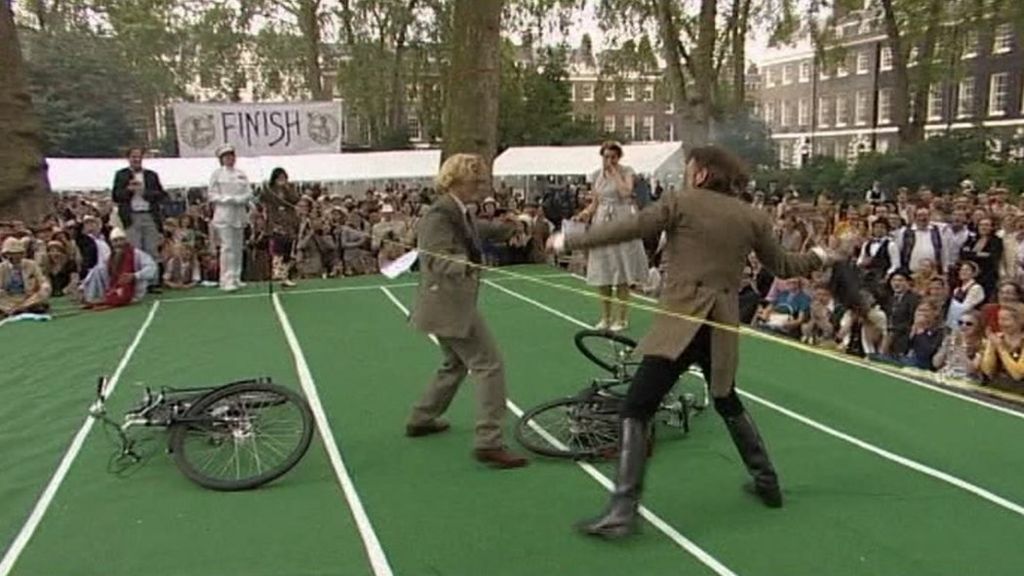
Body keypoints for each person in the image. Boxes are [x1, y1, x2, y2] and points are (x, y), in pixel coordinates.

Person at [548, 145, 833, 538]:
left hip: (684, 323)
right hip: (721, 323)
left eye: (689, 168)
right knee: (725, 399)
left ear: (700, 174)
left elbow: (629, 228)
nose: (685, 174)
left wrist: (570, 240)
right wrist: (818, 255)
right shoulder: (752, 215)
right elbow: (784, 265)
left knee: (636, 407)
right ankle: (767, 482)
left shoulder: (681, 202)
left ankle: (622, 511)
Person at [405, 153, 528, 470]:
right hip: (447, 303)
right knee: (489, 364)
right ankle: (489, 440)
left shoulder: (458, 210)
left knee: (454, 364)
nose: (481, 187)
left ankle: (422, 417)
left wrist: (508, 228)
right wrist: (467, 265)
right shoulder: (438, 214)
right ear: (457, 181)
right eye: (475, 181)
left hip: (449, 302)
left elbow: (478, 231)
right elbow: (433, 258)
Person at [575, 141, 649, 331]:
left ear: (618, 158)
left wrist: (615, 172)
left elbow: (626, 192)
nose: (608, 160)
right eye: (605, 156)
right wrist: (585, 214)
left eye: (613, 157)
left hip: (621, 220)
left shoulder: (627, 171)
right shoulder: (597, 176)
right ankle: (606, 317)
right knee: (603, 271)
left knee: (622, 271)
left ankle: (622, 318)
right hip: (602, 221)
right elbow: (596, 202)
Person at [111, 147, 168, 291]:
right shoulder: (121, 175)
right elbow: (116, 196)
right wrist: (129, 190)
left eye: (138, 156)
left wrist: (144, 192)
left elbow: (161, 195)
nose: (136, 159)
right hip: (131, 216)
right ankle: (136, 281)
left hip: (149, 214)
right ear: (128, 158)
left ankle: (153, 282)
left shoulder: (151, 175)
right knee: (136, 250)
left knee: (152, 249)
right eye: (133, 157)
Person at [208, 145, 252, 292]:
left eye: (232, 156)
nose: (230, 159)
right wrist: (227, 199)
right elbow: (211, 195)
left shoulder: (241, 174)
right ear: (221, 159)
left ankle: (236, 277)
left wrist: (241, 199)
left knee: (238, 247)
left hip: (239, 212)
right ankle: (226, 279)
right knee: (227, 247)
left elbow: (248, 192)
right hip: (224, 213)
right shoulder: (217, 174)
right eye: (226, 156)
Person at [0, 237, 52, 317]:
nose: (16, 255)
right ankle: (18, 309)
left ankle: (20, 309)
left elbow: (42, 280)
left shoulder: (32, 264)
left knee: (45, 290)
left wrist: (44, 286)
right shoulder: (2, 268)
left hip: (28, 298)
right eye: (13, 253)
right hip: (9, 298)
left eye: (19, 253)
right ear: (6, 254)